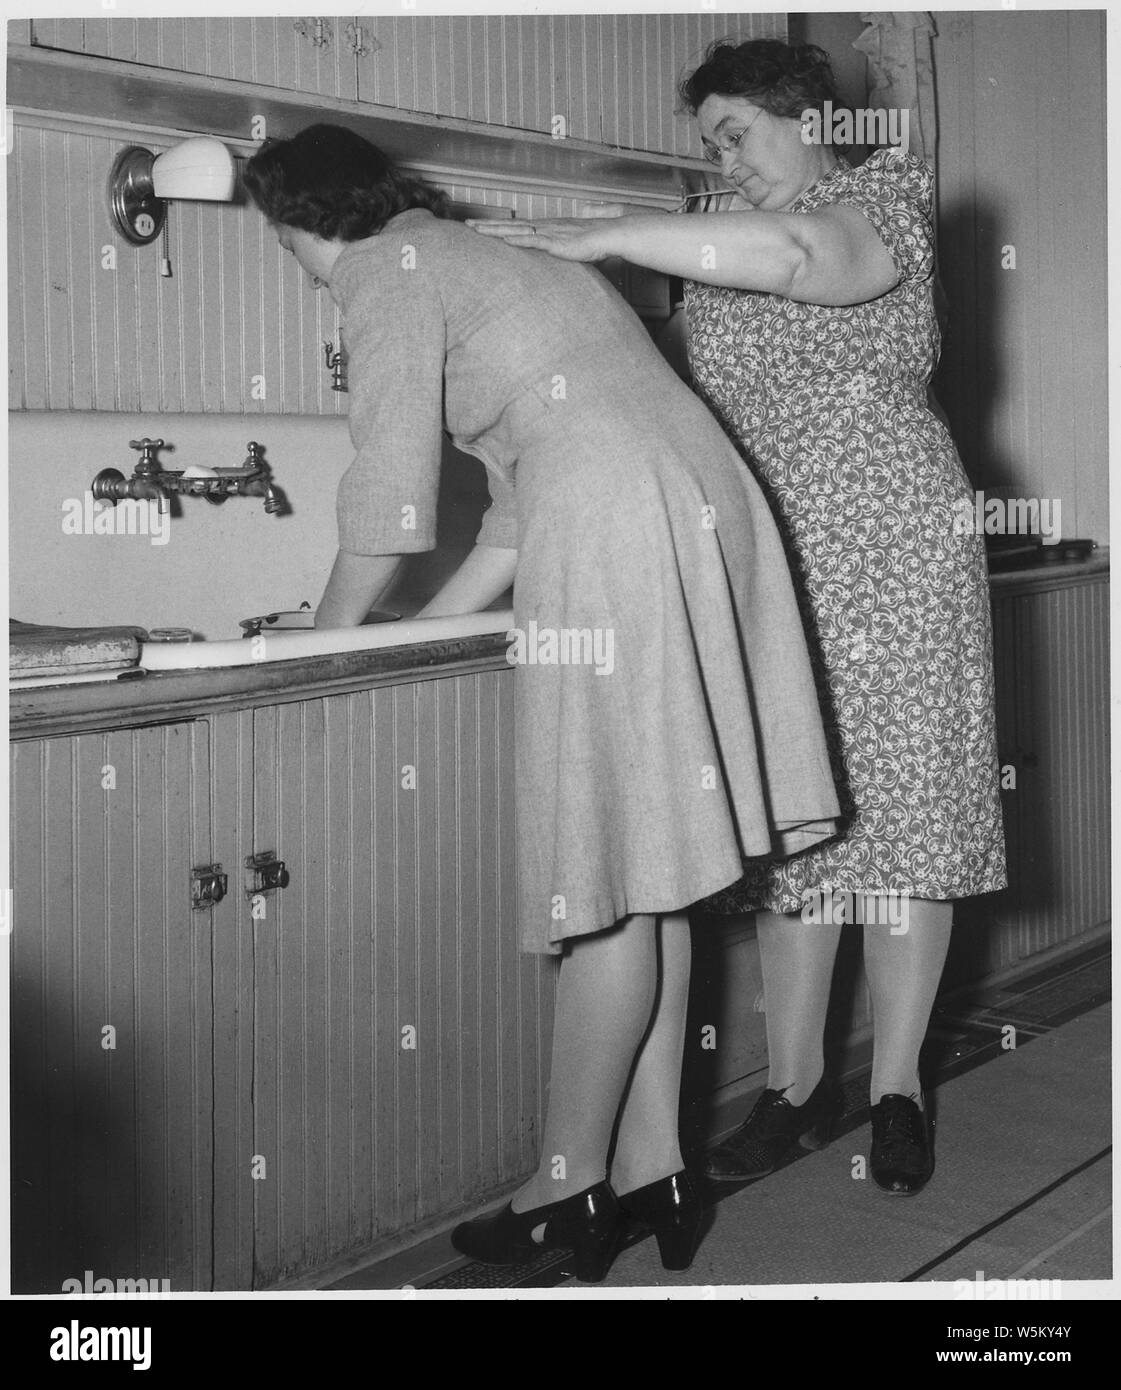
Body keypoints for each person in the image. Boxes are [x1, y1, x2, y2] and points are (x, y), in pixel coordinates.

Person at [243, 124, 840, 1279]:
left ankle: (562, 1187)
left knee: (601, 878)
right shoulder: (493, 259)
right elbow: (510, 509)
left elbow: (388, 490)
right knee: (651, 860)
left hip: (613, 514)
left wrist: (319, 645)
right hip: (693, 498)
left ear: (297, 227)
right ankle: (655, 1162)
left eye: (289, 249)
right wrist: (408, 631)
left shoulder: (380, 269)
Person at [472, 38, 1007, 1197]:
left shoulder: (880, 204)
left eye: (736, 135)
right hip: (762, 554)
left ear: (807, 116)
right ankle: (794, 1082)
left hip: (891, 542)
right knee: (791, 833)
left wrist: (610, 231)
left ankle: (899, 1086)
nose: (723, 161)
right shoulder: (713, 241)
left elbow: (804, 258)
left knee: (903, 815)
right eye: (710, 145)